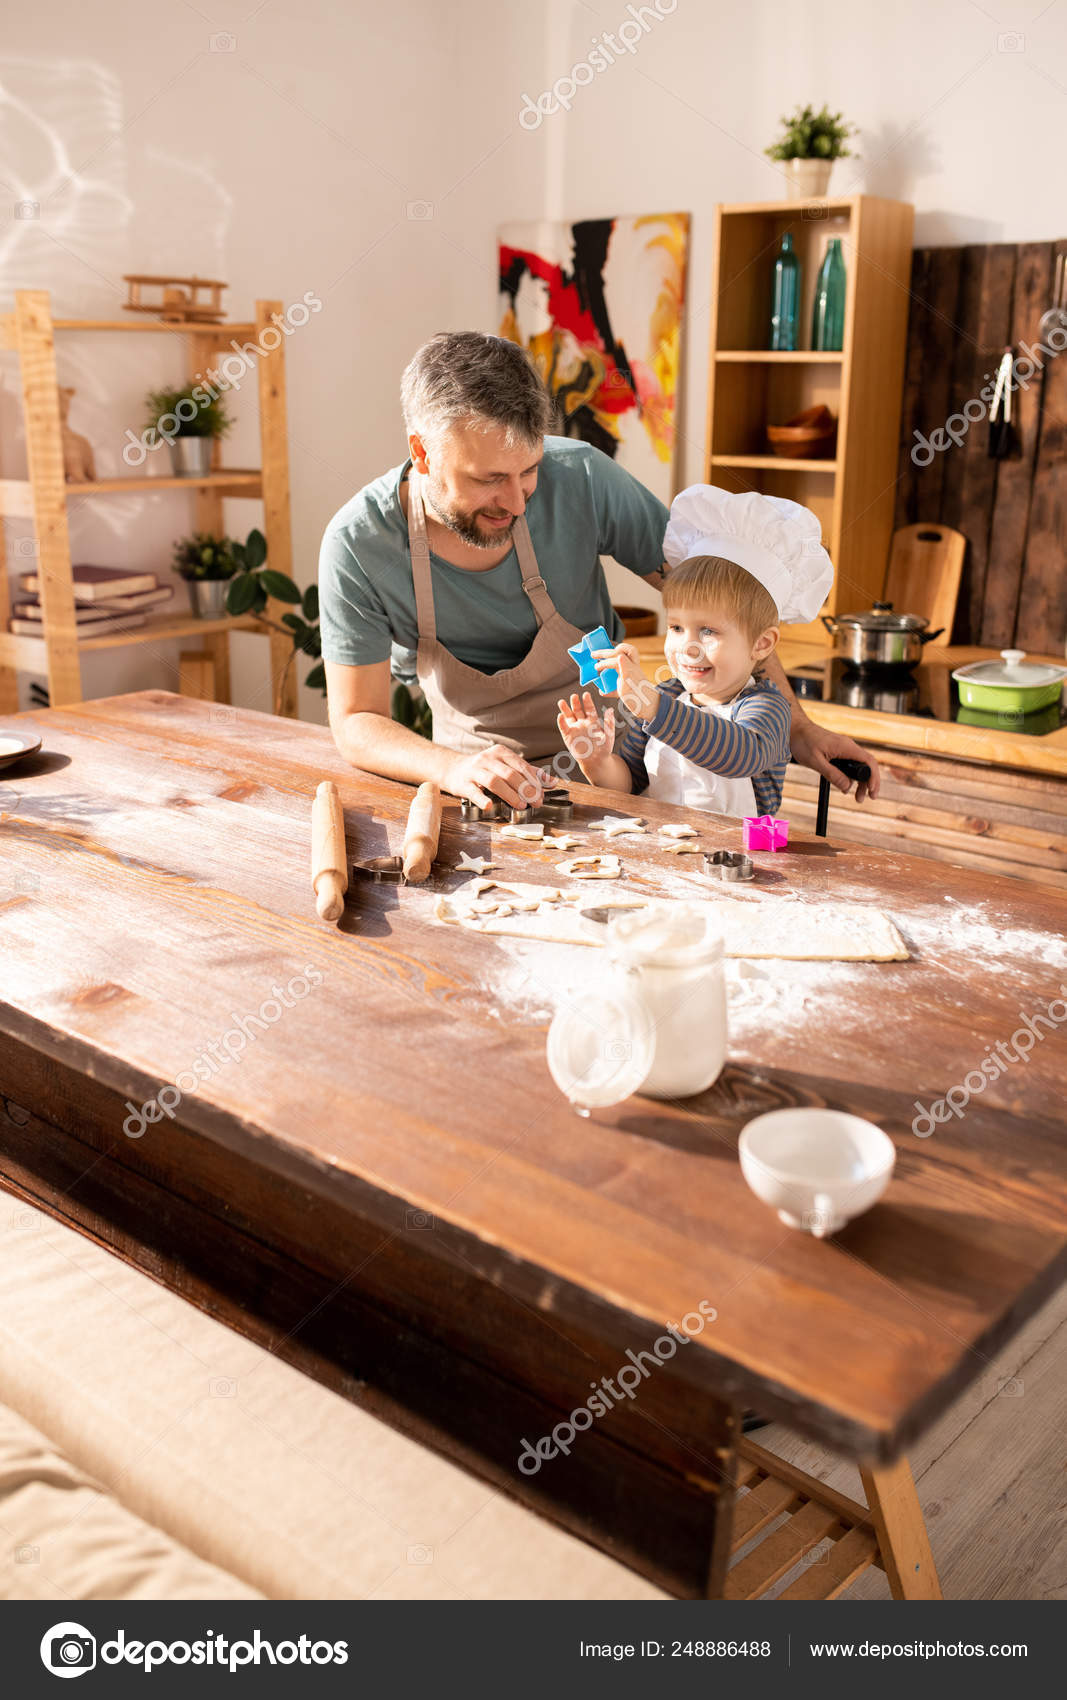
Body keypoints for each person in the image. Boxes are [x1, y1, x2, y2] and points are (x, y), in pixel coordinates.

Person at [320, 331, 879, 810]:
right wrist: (450, 770)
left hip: (614, 771)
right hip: (481, 788)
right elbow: (355, 722)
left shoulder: (582, 478)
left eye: (530, 470)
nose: (516, 502)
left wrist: (798, 728)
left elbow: (729, 601)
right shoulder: (361, 545)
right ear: (421, 454)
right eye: (489, 479)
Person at [556, 483, 833, 816]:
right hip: (662, 852)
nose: (687, 647)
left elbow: (739, 754)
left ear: (761, 644)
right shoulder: (668, 694)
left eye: (708, 631)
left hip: (737, 861)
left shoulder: (767, 707)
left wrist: (654, 707)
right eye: (676, 628)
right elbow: (628, 783)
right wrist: (597, 760)